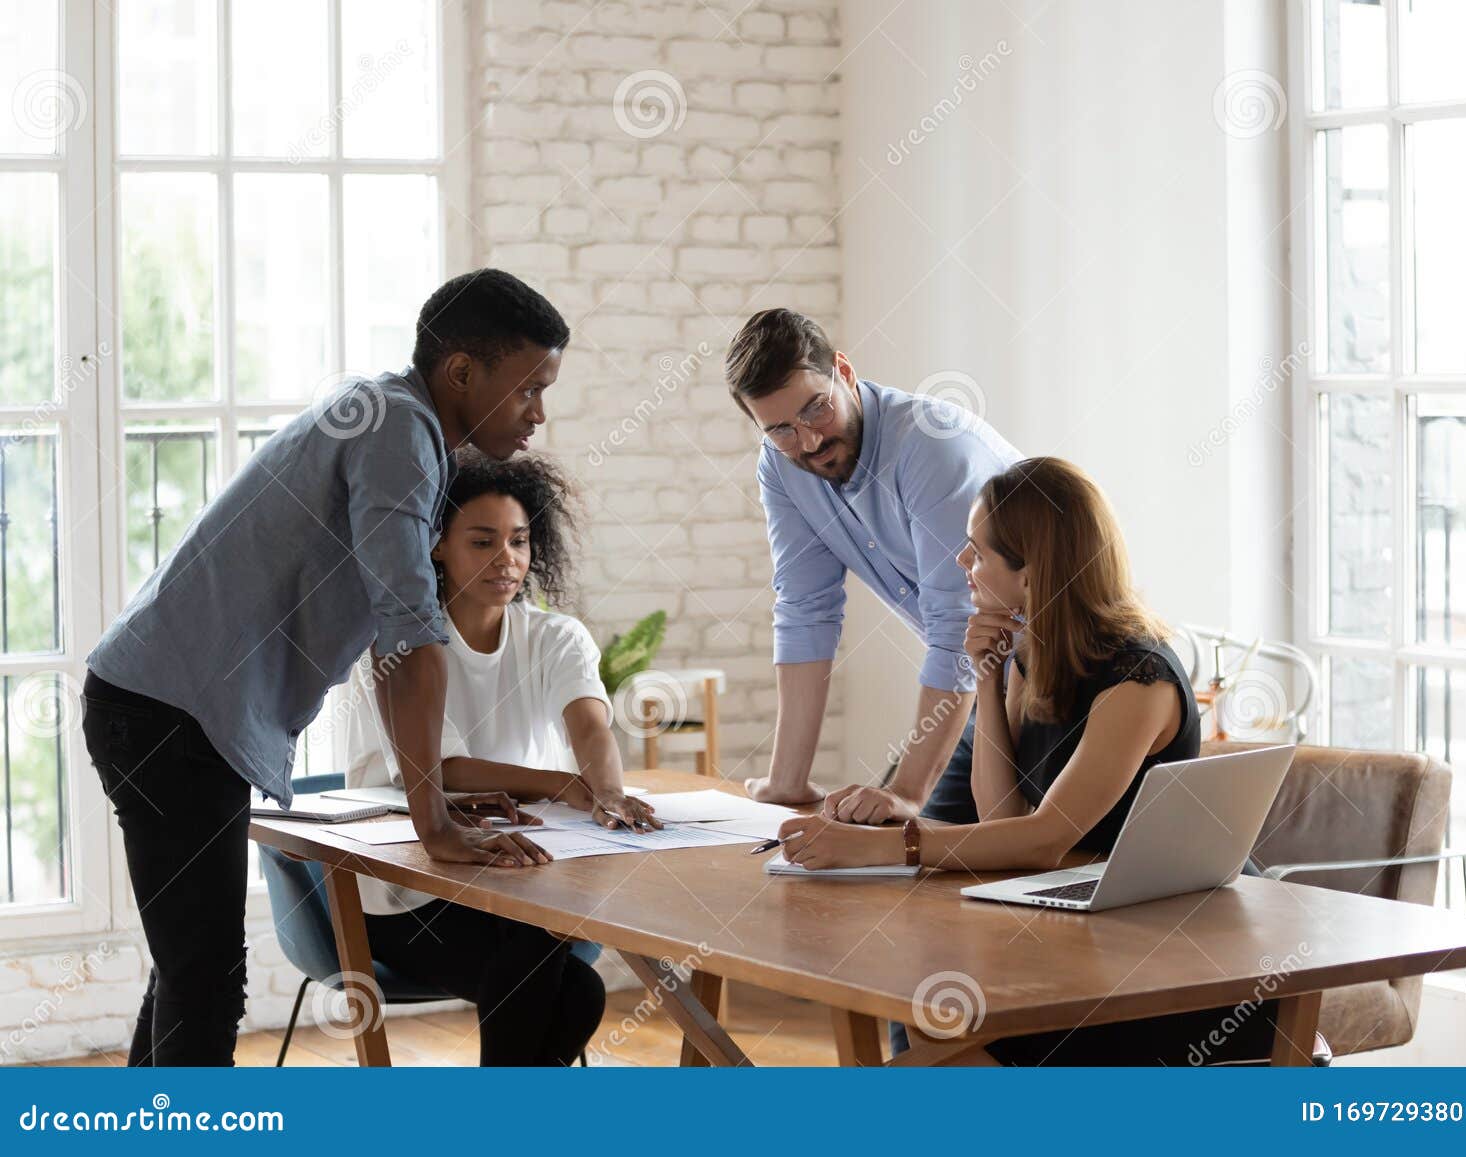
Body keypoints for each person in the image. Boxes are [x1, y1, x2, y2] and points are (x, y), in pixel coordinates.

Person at [80, 269, 566, 1066]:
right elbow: (408, 640)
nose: (538, 413)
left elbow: (395, 636)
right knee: (205, 978)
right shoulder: (401, 435)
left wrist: (432, 801)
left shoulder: (390, 415)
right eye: (528, 388)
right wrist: (432, 822)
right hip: (171, 715)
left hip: (153, 701)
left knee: (188, 967)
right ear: (462, 372)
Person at [777, 457, 1278, 1065]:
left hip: (1176, 967)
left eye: (978, 552)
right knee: (931, 1024)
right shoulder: (1028, 658)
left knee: (936, 1051)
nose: (962, 563)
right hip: (1089, 938)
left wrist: (879, 846)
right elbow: (1001, 819)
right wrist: (986, 680)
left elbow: (1042, 840)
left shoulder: (1138, 678)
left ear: (1035, 571)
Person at [334, 450, 657, 1065]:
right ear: (437, 547)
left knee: (574, 985)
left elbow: (590, 724)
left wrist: (607, 790)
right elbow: (440, 768)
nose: (505, 559)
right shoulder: (396, 648)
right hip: (405, 898)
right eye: (482, 541)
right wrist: (562, 784)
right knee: (557, 973)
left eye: (518, 541)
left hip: (517, 881)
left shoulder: (556, 637)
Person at [727, 308, 1020, 827]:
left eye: (816, 410)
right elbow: (805, 610)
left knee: (975, 850)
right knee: (881, 841)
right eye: (781, 430)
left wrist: (908, 791)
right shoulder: (781, 467)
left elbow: (958, 623)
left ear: (844, 371)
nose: (810, 443)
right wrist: (787, 781)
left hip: (1070, 681)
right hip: (985, 689)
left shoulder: (932, 446)